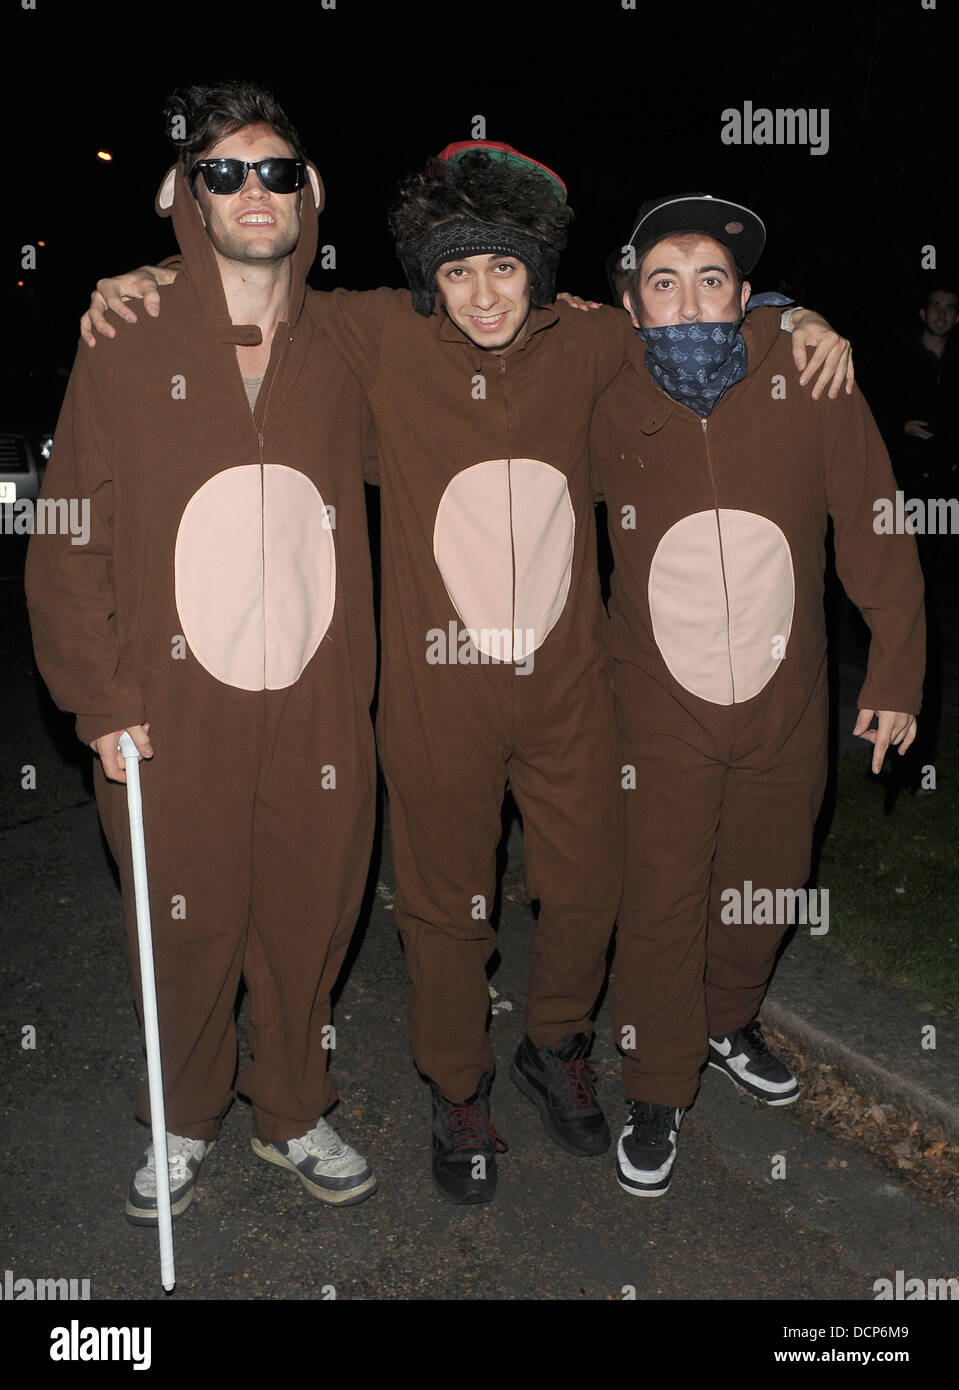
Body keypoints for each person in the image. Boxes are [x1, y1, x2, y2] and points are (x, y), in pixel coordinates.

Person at [80, 144, 854, 1206]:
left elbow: (692, 319)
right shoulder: (379, 334)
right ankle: (456, 1086)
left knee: (588, 884)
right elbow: (260, 276)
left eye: (503, 267)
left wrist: (789, 309)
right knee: (448, 907)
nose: (483, 293)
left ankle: (555, 1041)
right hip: (433, 694)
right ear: (425, 278)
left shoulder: (587, 339)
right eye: (456, 270)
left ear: (538, 268)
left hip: (568, 686)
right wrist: (153, 273)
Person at [25, 82, 380, 1224]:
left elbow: (514, 331)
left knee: (309, 919)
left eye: (275, 170)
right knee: (182, 927)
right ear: (184, 196)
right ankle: (182, 1117)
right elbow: (70, 525)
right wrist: (99, 699)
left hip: (320, 707)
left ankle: (293, 1107)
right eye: (221, 173)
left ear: (309, 192)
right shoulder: (125, 338)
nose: (252, 191)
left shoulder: (357, 340)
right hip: (170, 708)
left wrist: (772, 307)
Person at [590, 193, 925, 1198]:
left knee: (769, 870)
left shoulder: (807, 377)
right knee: (660, 893)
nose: (688, 296)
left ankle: (727, 1015)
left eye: (712, 277)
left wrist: (896, 670)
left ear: (742, 295)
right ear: (630, 303)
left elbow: (871, 521)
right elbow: (499, 326)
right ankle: (656, 1079)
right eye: (662, 278)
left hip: (785, 693)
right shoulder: (597, 383)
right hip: (654, 701)